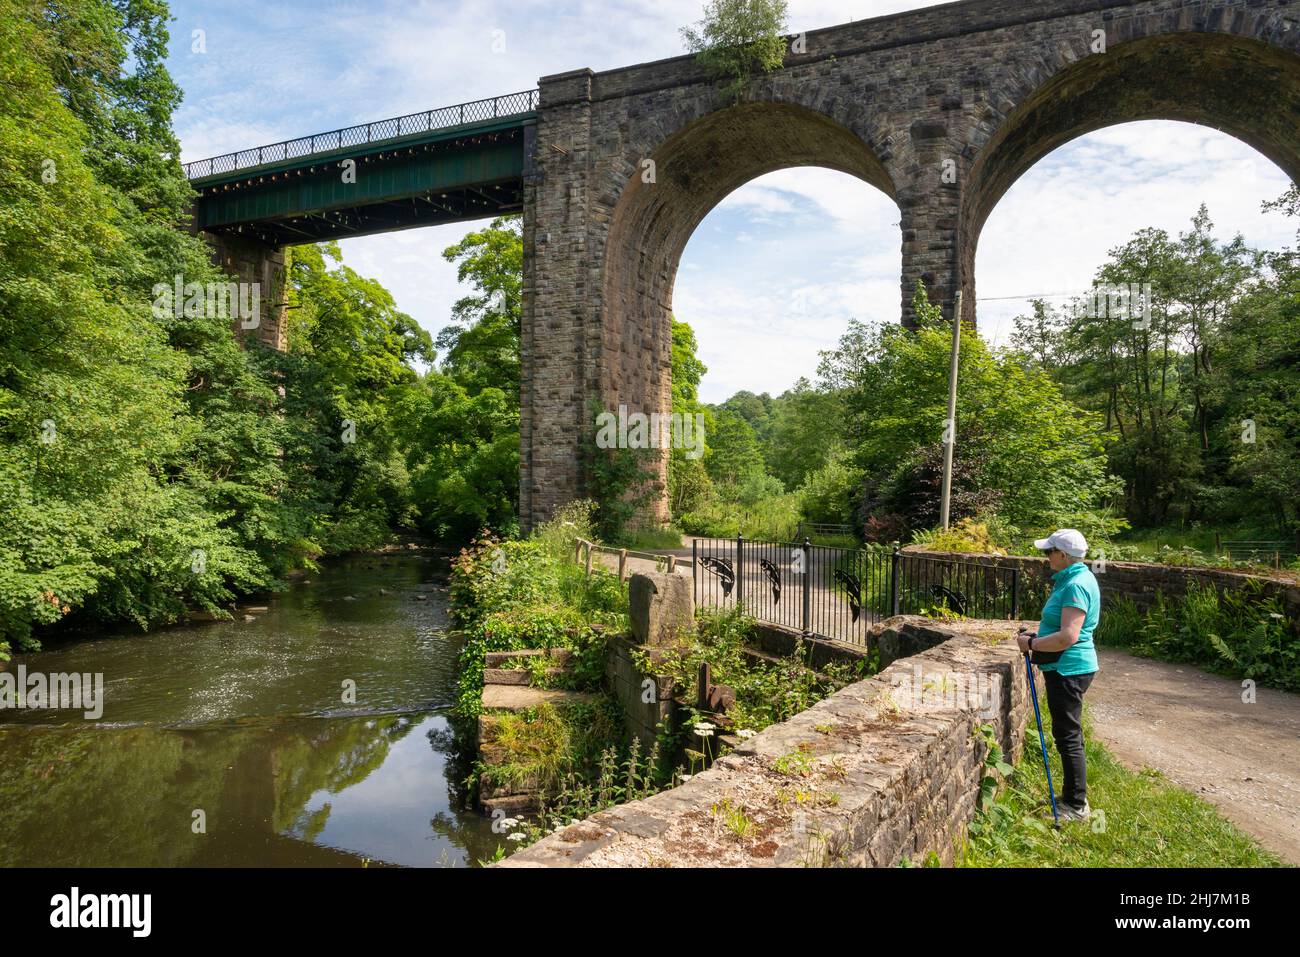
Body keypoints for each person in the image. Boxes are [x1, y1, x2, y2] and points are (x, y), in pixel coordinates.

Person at [1017, 529, 1101, 821]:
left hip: (1068, 668)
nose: (1046, 557)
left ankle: (1076, 805)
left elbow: (1068, 636)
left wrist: (1032, 644)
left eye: (1048, 552)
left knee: (1067, 736)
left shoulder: (1075, 584)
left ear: (1063, 556)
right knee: (1068, 733)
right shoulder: (1076, 578)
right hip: (1069, 666)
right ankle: (1072, 798)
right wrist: (1040, 636)